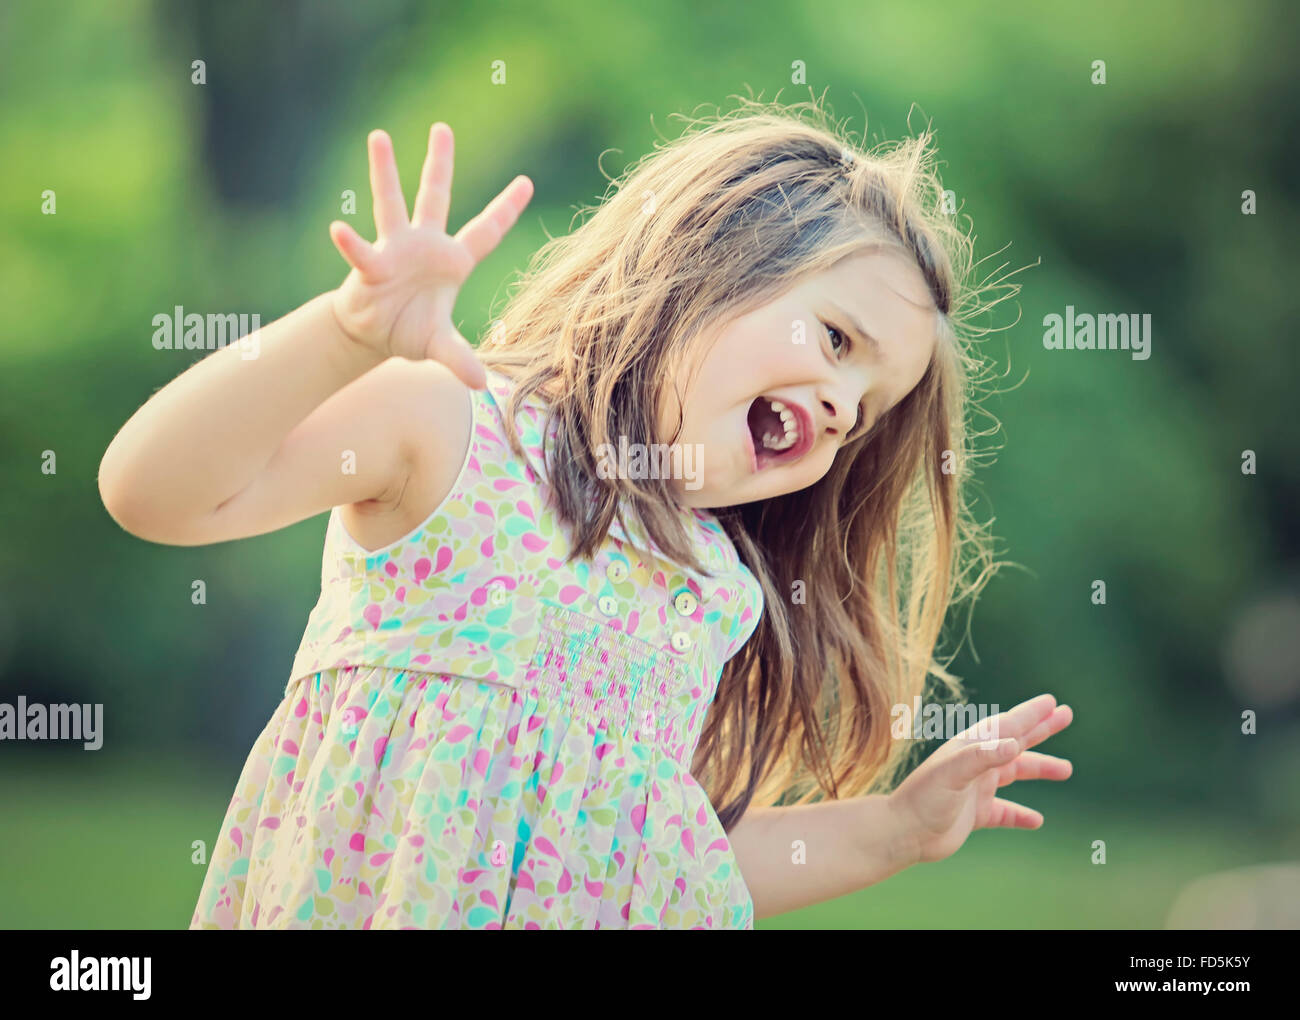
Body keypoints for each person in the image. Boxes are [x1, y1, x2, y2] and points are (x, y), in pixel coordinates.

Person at [98, 97, 1073, 929]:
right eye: (833, 338)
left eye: (861, 410)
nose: (836, 405)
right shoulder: (450, 434)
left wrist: (893, 828)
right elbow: (154, 491)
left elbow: (675, 858)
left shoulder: (710, 590)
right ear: (705, 261)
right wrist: (344, 334)